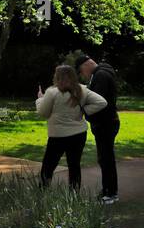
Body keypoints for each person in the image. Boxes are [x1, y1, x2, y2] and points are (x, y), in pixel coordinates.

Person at [35, 64, 107, 192]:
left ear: (57, 77)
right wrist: (84, 111)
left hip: (58, 136)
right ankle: (74, 195)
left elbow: (43, 113)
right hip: (79, 134)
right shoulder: (82, 90)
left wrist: (40, 99)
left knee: (48, 166)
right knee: (74, 165)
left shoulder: (52, 92)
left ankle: (42, 193)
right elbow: (102, 102)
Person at [75, 53, 120, 203]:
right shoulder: (101, 73)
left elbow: (99, 101)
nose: (83, 75)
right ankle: (108, 190)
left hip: (106, 123)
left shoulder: (100, 75)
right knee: (105, 158)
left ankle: (110, 193)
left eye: (81, 71)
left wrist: (83, 109)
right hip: (107, 122)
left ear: (87, 65)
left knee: (106, 159)